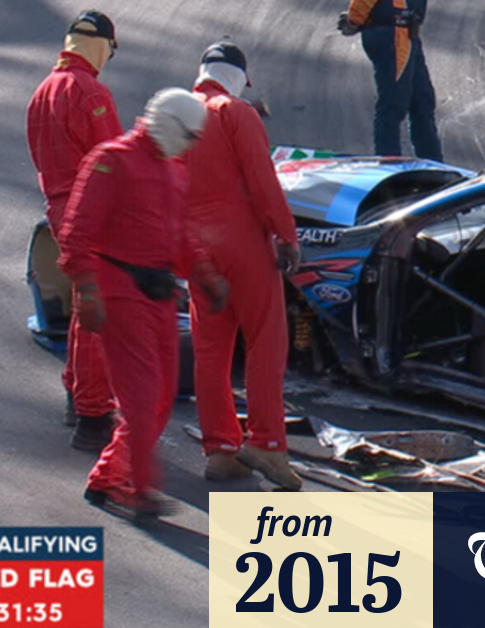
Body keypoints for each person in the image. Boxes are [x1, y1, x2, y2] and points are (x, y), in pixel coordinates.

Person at [57, 88, 229, 519]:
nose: (192, 145)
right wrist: (88, 290)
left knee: (161, 395)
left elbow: (178, 234)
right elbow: (77, 231)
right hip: (120, 291)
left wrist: (206, 275)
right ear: (171, 127)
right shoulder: (112, 159)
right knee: (141, 396)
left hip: (155, 294)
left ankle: (108, 478)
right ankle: (134, 485)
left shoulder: (171, 170)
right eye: (189, 136)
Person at [183, 42, 303, 490]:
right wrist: (286, 235)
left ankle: (220, 449)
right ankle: (267, 444)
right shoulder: (235, 112)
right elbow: (263, 180)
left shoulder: (176, 113)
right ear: (238, 78)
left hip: (195, 248)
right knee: (265, 339)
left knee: (211, 350)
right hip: (242, 242)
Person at [26, 9, 121, 450]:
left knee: (85, 304)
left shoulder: (42, 91)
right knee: (96, 314)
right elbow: (116, 158)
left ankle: (77, 392)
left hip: (58, 208)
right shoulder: (89, 90)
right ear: (100, 47)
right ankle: (92, 412)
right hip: (90, 211)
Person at [337, 0, 443, 161]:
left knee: (422, 102)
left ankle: (435, 167)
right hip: (392, 34)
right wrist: (355, 19)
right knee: (393, 104)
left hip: (406, 33)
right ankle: (389, 169)